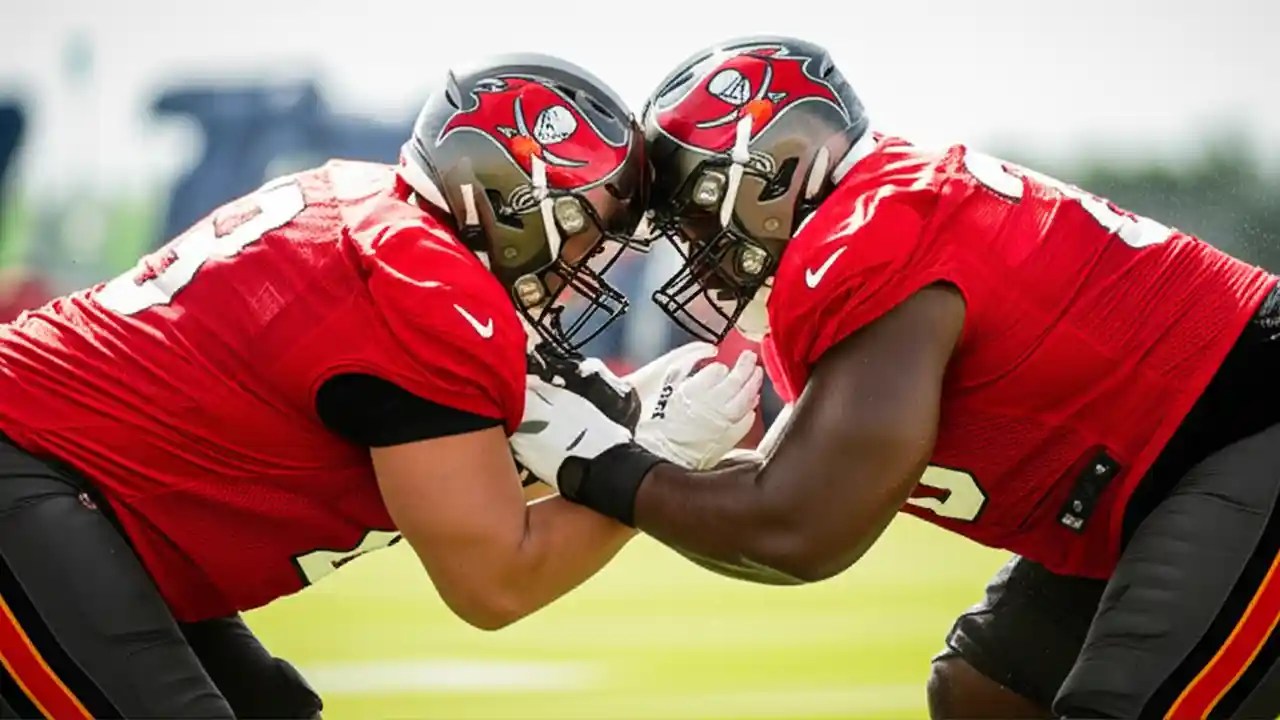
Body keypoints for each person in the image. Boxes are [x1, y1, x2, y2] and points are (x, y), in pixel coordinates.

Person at [509, 36, 1280, 718]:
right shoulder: (870, 226)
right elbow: (788, 488)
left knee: (1127, 704)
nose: (693, 249)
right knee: (987, 691)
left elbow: (799, 529)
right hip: (1157, 476)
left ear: (770, 176)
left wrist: (602, 466)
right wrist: (646, 451)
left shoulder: (873, 236)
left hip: (1246, 432)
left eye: (700, 215)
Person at [0, 52, 757, 719]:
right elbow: (495, 580)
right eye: (584, 226)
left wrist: (609, 431)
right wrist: (648, 465)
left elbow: (437, 473)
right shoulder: (420, 286)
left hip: (88, 500)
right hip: (31, 477)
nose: (587, 263)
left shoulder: (373, 217)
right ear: (512, 203)